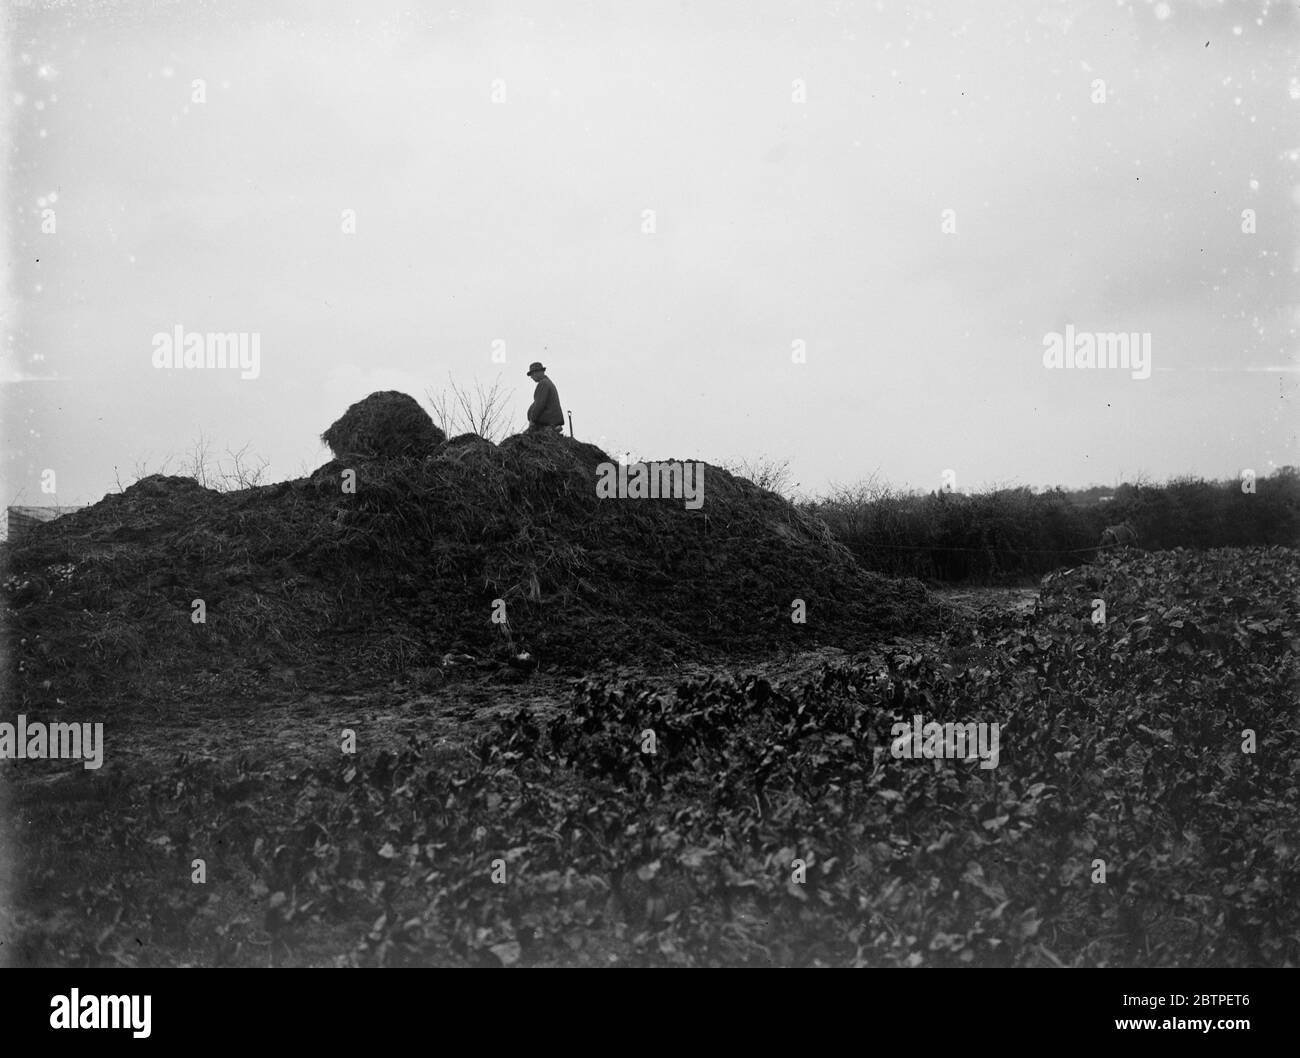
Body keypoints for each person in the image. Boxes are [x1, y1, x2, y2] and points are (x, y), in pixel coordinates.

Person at [525, 361, 564, 435]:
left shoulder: (543, 384)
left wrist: (532, 421)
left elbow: (539, 405)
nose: (531, 377)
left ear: (537, 373)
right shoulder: (547, 382)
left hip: (548, 423)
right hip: (552, 422)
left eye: (532, 374)